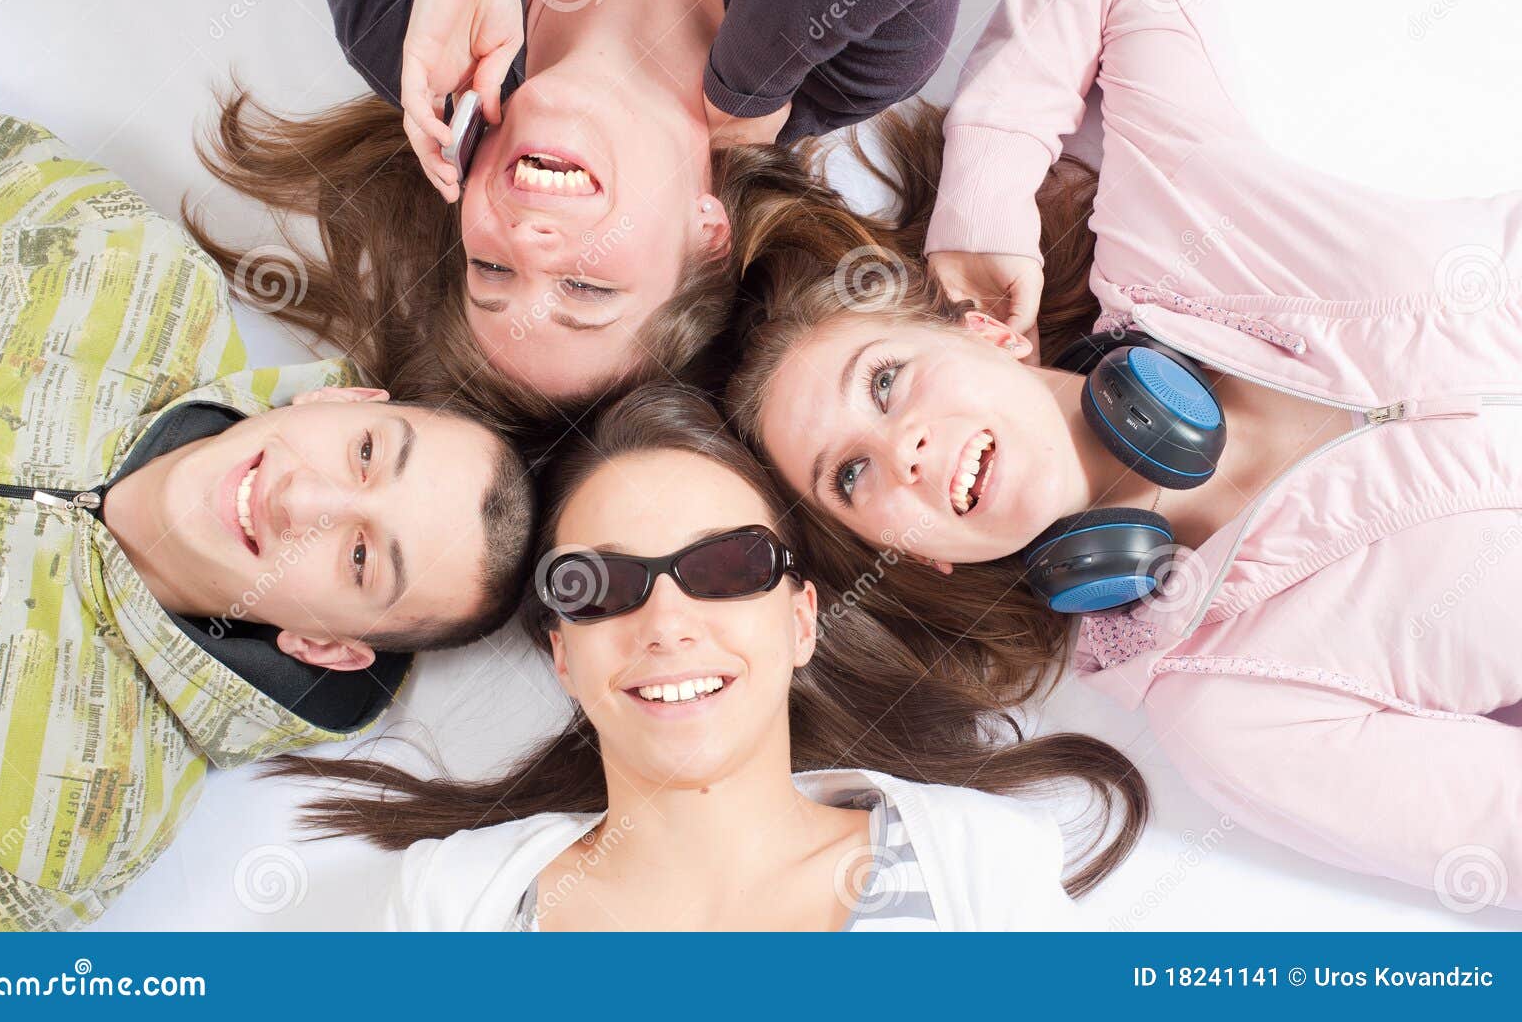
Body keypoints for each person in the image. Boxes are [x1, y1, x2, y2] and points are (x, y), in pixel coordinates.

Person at [725, 0, 1522, 909]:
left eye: (883, 383)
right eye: (851, 474)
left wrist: (984, 198)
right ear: (917, 551)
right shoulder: (1229, 711)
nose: (903, 450)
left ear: (977, 327)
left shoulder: (1173, 233)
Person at [0, 79, 535, 930]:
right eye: (364, 455)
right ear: (344, 405)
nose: (304, 498)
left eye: (360, 557)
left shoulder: (84, 825)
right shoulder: (126, 270)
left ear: (326, 645)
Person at [274, 384, 1147, 930]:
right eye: (602, 586)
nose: (667, 621)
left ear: (801, 621)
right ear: (563, 657)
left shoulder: (981, 868)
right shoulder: (451, 907)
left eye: (726, 568)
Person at [187, 0, 980, 434]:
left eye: (490, 274)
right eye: (587, 286)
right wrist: (747, 83)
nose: (530, 247)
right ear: (708, 231)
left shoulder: (401, 22)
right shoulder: (857, 62)